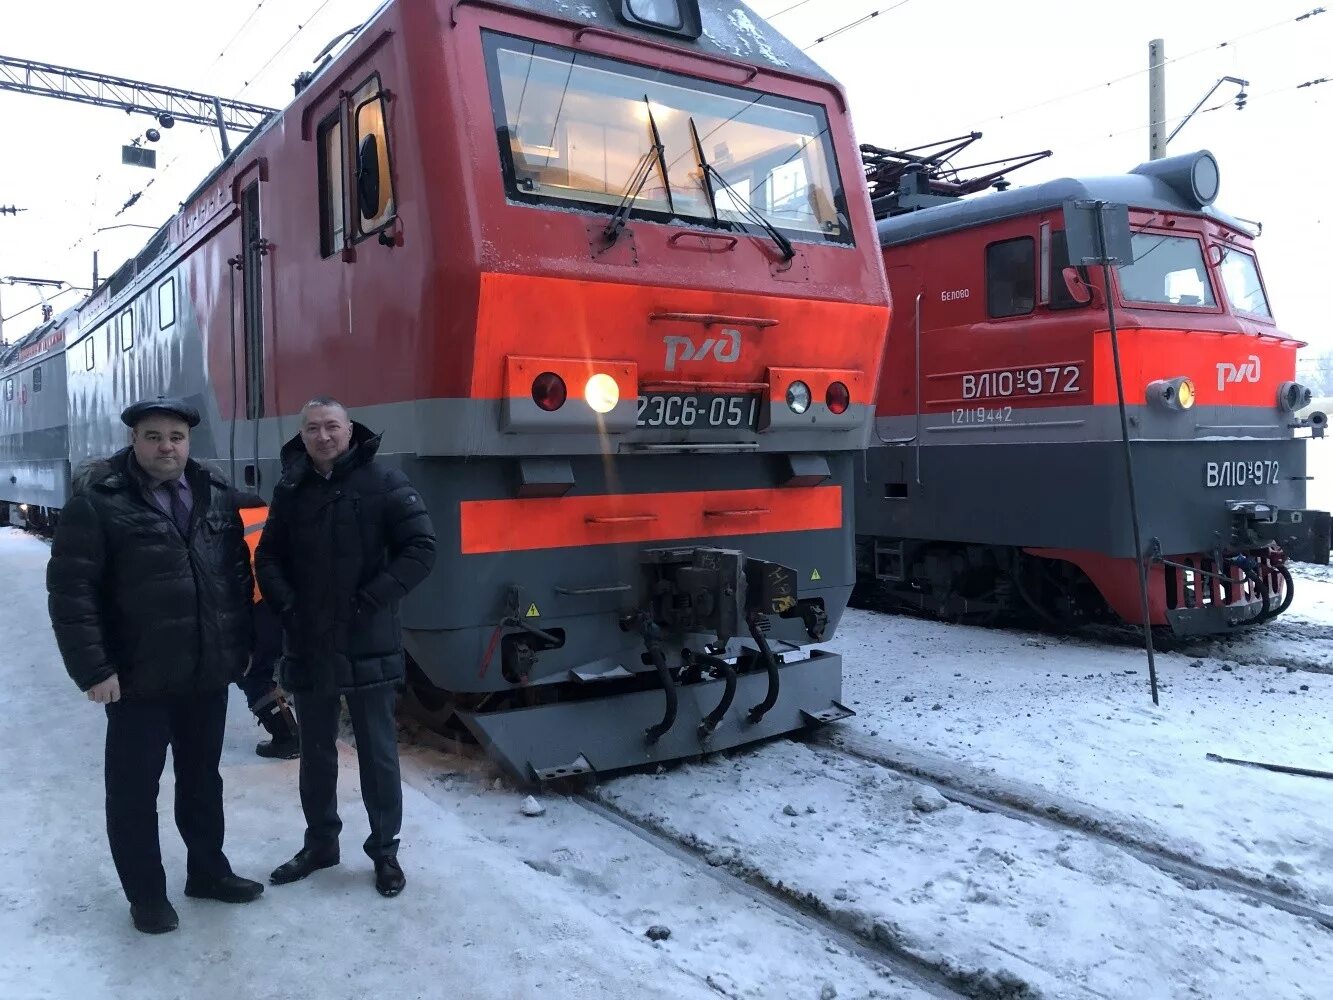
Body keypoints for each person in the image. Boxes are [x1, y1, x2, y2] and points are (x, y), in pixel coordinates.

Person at [46, 397, 264, 935]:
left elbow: (236, 576)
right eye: (153, 436)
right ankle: (146, 896)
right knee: (134, 792)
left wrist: (241, 647)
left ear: (189, 442)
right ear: (134, 441)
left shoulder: (214, 495)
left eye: (176, 437)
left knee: (202, 781)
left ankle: (208, 872)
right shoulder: (98, 503)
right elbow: (72, 594)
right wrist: (94, 670)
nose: (166, 447)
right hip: (136, 679)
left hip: (206, 672)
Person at [256, 397, 435, 898]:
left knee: (378, 754)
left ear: (350, 430)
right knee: (315, 753)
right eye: (313, 428)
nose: (323, 436)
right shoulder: (291, 487)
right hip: (309, 641)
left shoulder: (386, 481)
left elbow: (421, 548)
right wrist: (288, 605)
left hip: (367, 637)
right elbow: (268, 556)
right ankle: (320, 845)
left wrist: (372, 599)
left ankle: (385, 853)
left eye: (332, 426)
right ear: (302, 434)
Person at [234, 491, 301, 760]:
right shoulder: (268, 512)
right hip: (287, 597)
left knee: (252, 673)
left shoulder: (226, 520)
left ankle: (287, 737)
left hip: (258, 603)